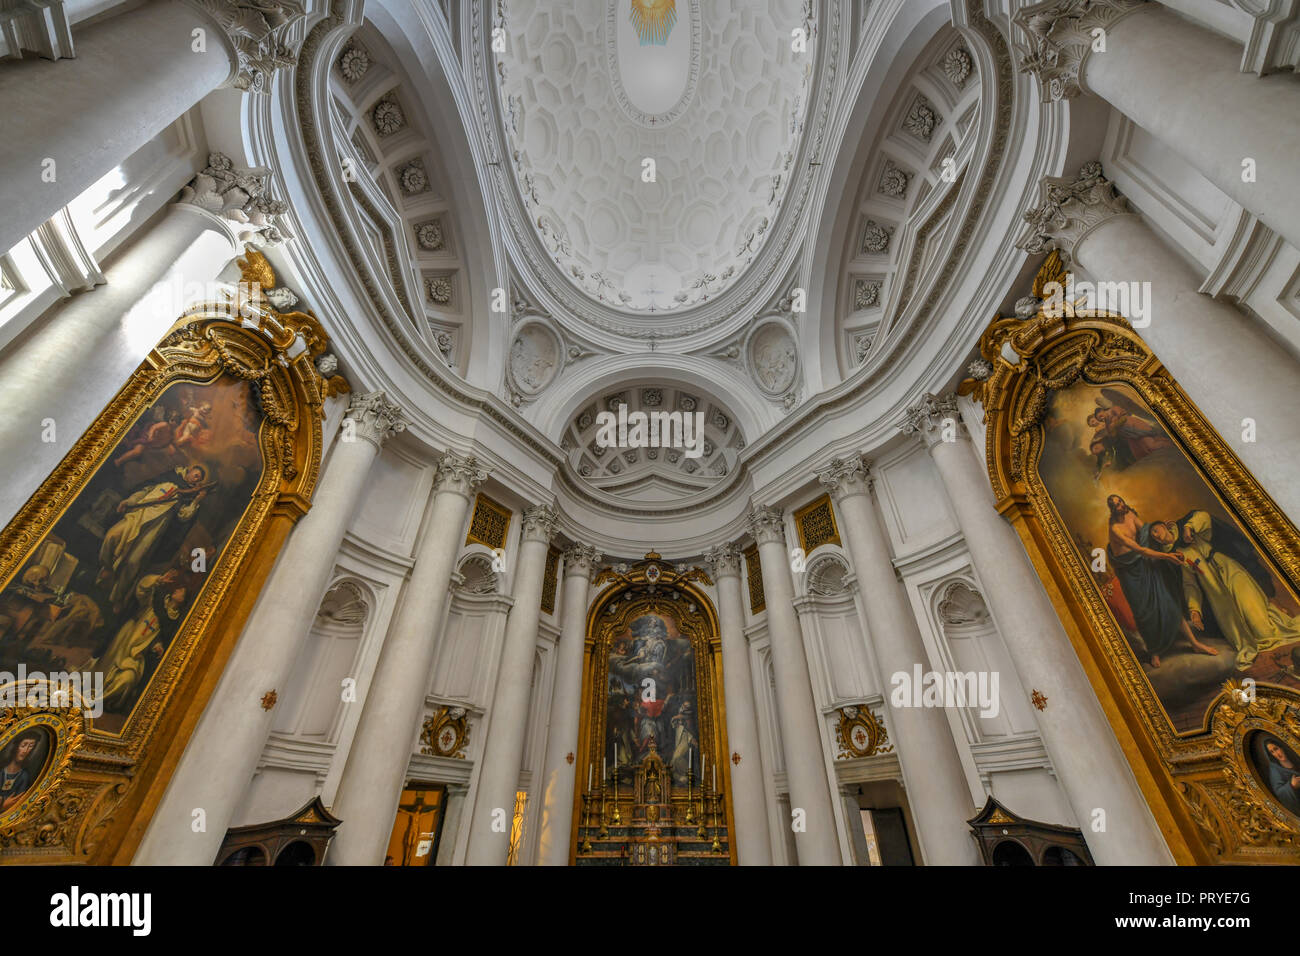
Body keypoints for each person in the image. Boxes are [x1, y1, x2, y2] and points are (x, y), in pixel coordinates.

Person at [1151, 511, 1300, 670]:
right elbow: (1190, 584)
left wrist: (1188, 528)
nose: (1156, 536)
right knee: (1242, 630)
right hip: (1214, 588)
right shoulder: (1175, 555)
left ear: (1163, 526)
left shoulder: (1185, 527)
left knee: (1262, 628)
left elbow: (1204, 516)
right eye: (1153, 536)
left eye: (1156, 530)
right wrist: (1195, 610)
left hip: (1228, 568)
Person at [1106, 495, 1216, 667]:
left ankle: (1195, 644)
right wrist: (1167, 556)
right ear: (1112, 510)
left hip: (1145, 564)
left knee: (1168, 600)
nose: (1121, 505)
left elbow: (1147, 534)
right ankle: (1154, 651)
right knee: (1143, 612)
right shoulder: (1115, 529)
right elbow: (1141, 549)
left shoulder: (1131, 515)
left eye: (1120, 501)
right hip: (1130, 573)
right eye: (1116, 505)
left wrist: (1164, 529)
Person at [96, 464, 211, 613]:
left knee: (133, 562)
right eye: (196, 475)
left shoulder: (187, 496)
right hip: (137, 517)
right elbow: (145, 491)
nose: (196, 479)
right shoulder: (169, 478)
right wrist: (128, 501)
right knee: (112, 535)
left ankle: (117, 597)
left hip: (154, 528)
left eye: (199, 479)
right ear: (189, 472)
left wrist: (196, 501)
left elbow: (184, 517)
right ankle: (106, 567)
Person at [0, 731, 42, 812]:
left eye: (31, 746)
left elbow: (16, 803)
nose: (25, 750)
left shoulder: (24, 776)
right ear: (16, 746)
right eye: (23, 745)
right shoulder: (1, 771)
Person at [1262, 737, 1300, 816]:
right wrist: (1292, 786)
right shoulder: (1275, 770)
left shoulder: (1295, 757)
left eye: (1276, 749)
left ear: (1282, 747)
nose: (1277, 754)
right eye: (1272, 752)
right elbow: (1279, 793)